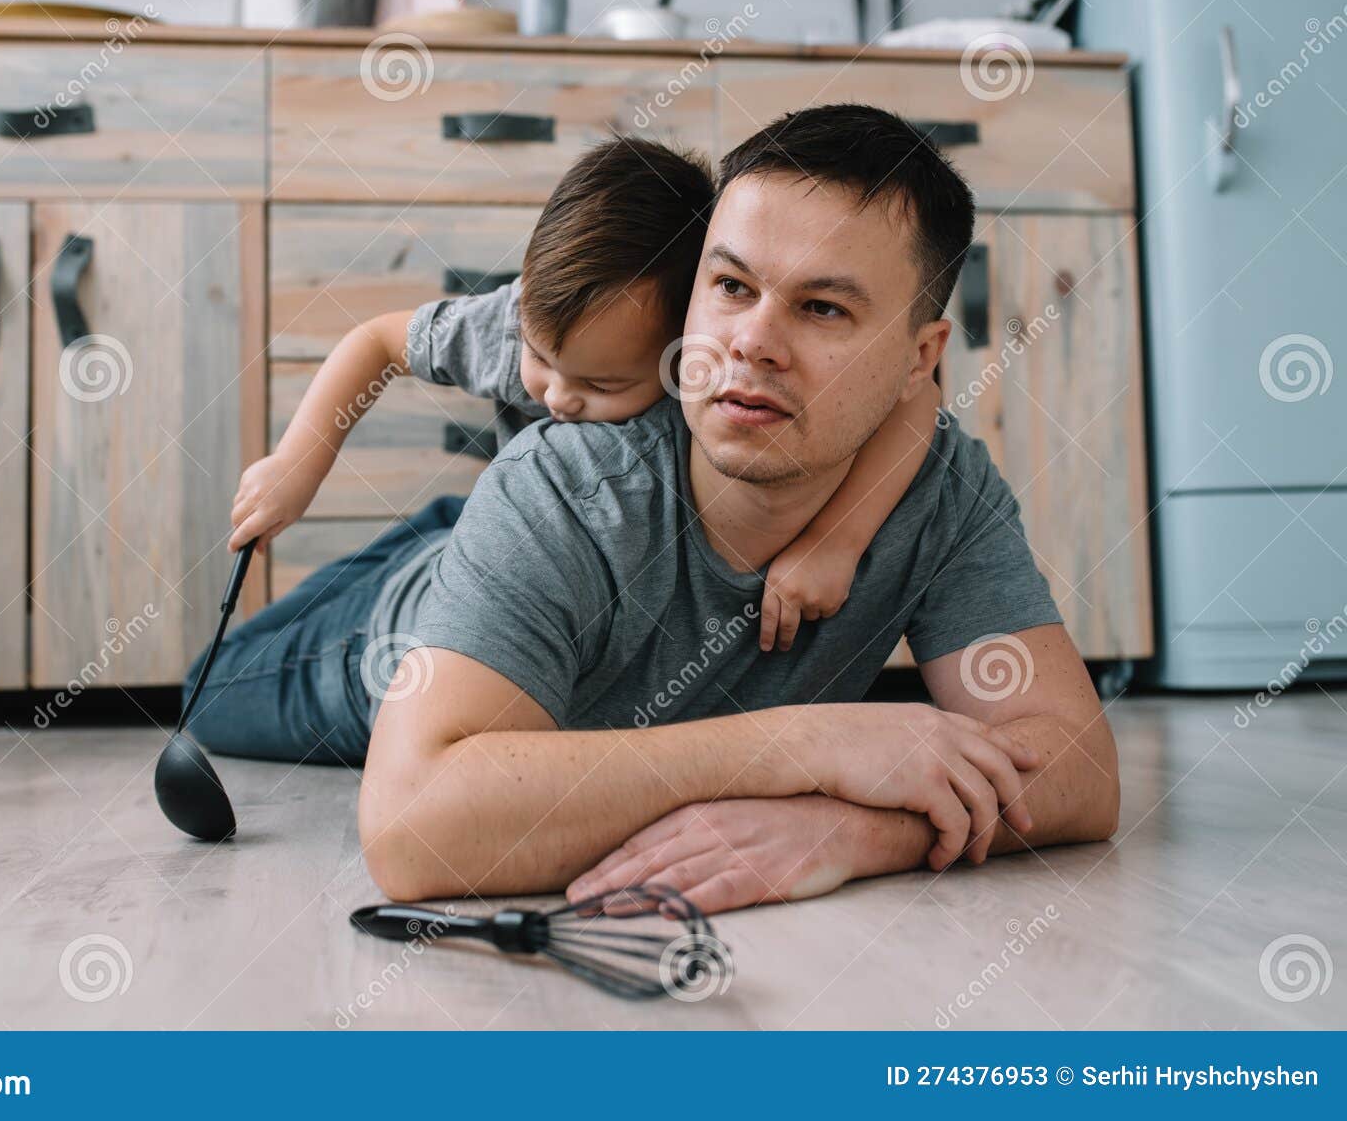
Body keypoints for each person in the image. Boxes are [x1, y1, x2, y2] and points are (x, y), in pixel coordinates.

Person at [188, 106, 1120, 914]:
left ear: (921, 358)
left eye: (824, 309)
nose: (751, 343)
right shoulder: (567, 477)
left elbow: (1078, 769)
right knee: (211, 694)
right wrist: (813, 743)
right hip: (396, 625)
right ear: (689, 295)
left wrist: (851, 829)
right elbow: (413, 831)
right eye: (732, 286)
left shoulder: (939, 489)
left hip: (529, 558)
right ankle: (445, 559)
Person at [225, 135, 941, 653]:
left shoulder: (708, 364)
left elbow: (915, 400)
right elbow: (379, 341)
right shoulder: (513, 326)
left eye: (602, 385)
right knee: (259, 646)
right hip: (483, 536)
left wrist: (836, 542)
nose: (559, 398)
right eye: (542, 362)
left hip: (515, 546)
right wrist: (298, 464)